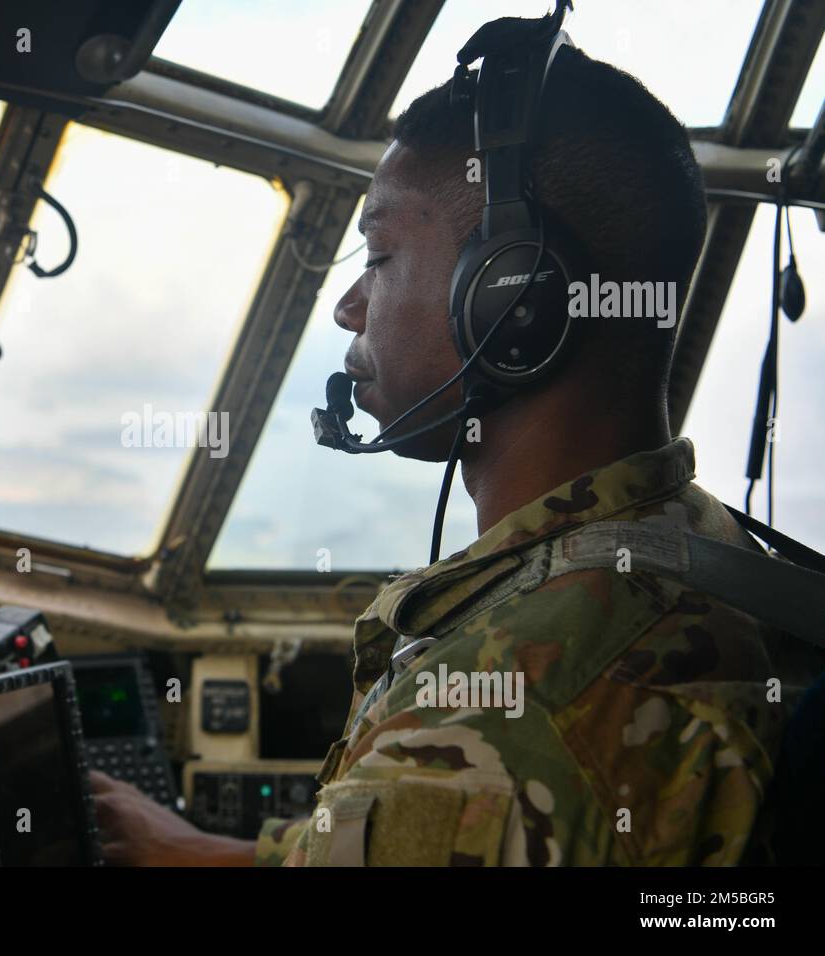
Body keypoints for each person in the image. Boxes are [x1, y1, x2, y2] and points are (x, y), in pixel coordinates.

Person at [92, 40, 815, 866]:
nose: (348, 306)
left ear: (513, 295)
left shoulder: (498, 727)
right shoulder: (697, 541)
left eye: (379, 256)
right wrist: (191, 851)